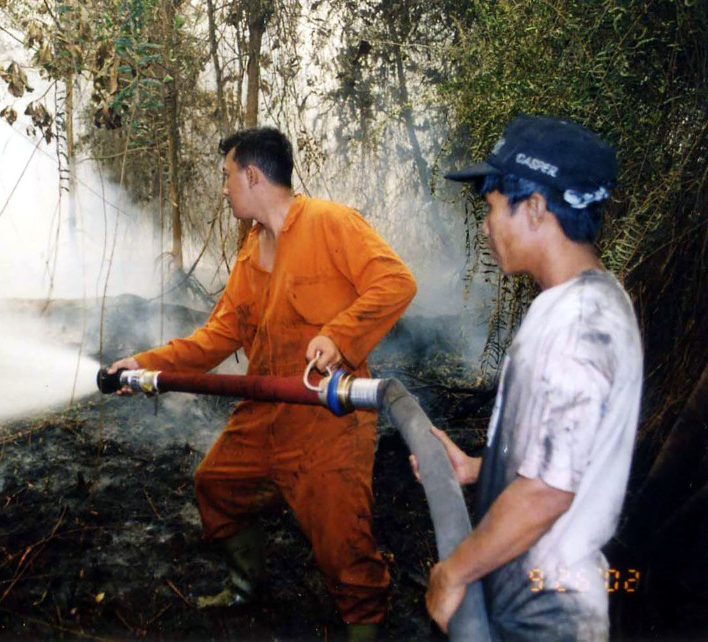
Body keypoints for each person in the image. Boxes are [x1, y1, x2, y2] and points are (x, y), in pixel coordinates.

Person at [108, 127, 417, 639]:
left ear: (253, 175)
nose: (225, 187)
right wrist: (142, 364)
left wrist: (338, 336)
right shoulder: (251, 252)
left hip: (329, 422)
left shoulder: (329, 223)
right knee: (217, 485)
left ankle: (366, 626)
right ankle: (246, 587)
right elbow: (217, 336)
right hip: (264, 409)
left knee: (344, 549)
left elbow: (396, 282)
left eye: (228, 176)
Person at [412, 115, 643, 640]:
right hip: (527, 595)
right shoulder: (570, 305)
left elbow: (546, 494)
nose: (486, 226)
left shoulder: (583, 326)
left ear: (535, 208)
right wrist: (478, 468)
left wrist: (454, 571)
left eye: (492, 208)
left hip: (547, 616)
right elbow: (557, 460)